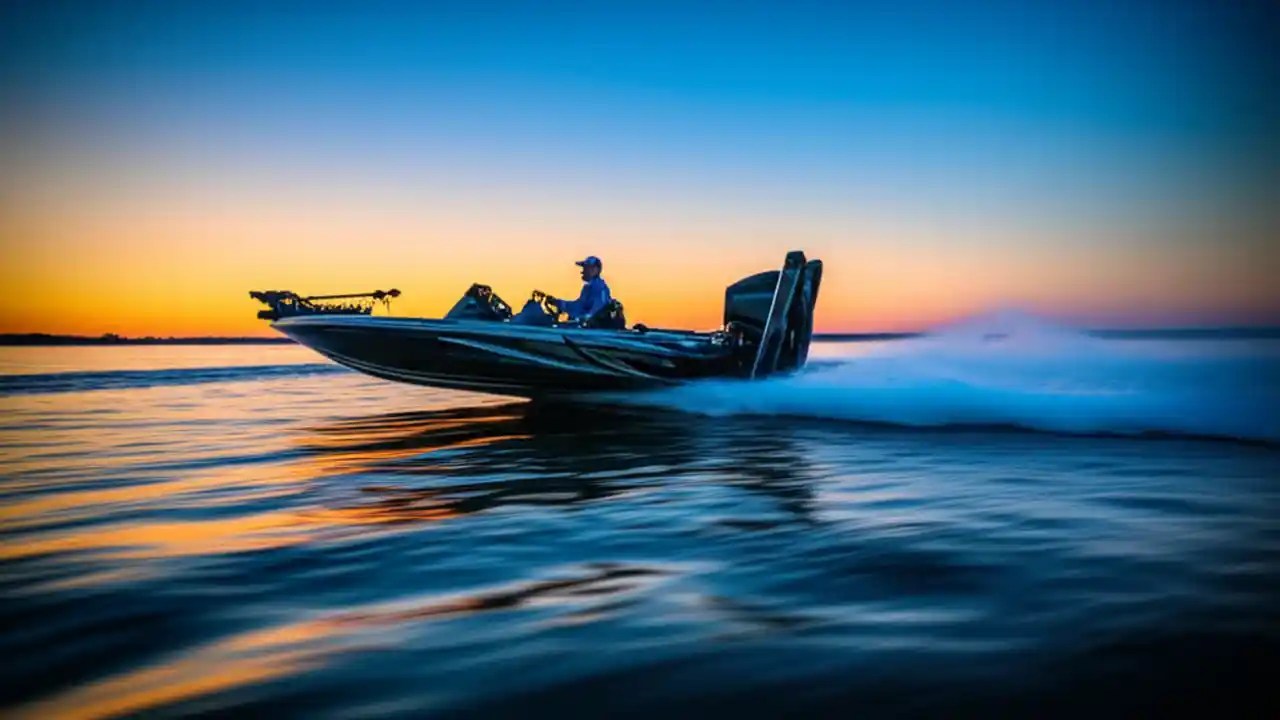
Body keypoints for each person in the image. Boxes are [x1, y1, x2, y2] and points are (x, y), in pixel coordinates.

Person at [550, 256, 611, 321]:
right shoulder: (588, 288)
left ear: (595, 270)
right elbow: (578, 306)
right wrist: (559, 303)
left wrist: (582, 318)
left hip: (591, 327)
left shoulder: (599, 288)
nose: (582, 272)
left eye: (586, 268)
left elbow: (597, 312)